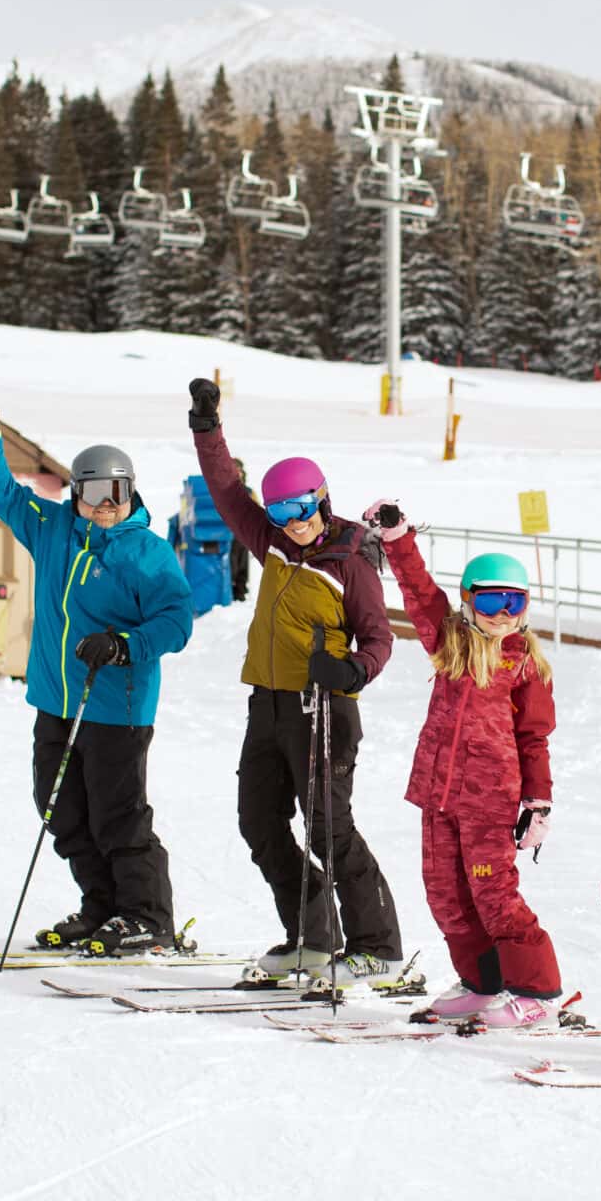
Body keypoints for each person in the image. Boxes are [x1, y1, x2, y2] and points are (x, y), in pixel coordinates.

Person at [0, 392, 195, 953]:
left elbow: (176, 622)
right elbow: (4, 494)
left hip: (117, 707)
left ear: (129, 490)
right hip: (55, 700)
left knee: (117, 815)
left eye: (115, 493)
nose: (104, 505)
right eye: (92, 493)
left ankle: (146, 915)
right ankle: (102, 907)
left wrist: (123, 643)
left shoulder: (148, 553)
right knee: (60, 809)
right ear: (76, 492)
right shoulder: (52, 529)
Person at [185, 376, 403, 978]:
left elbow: (380, 639)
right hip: (269, 705)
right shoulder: (273, 543)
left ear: (322, 500)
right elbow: (228, 492)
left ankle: (377, 947)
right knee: (258, 823)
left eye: (302, 508)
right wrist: (208, 429)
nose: (293, 522)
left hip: (324, 708)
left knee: (330, 830)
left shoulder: (350, 561)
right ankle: (311, 934)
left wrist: (352, 670)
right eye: (281, 512)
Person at [377, 508, 563, 1027]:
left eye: (514, 602)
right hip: (437, 795)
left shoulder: (526, 664)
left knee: (494, 895)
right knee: (446, 896)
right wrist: (397, 538)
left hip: (490, 800)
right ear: (469, 602)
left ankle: (537, 991)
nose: (502, 614)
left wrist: (537, 802)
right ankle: (483, 982)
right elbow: (419, 592)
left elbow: (534, 739)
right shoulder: (451, 644)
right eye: (490, 601)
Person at [228, 458, 253, 603]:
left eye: (239, 470)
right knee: (232, 561)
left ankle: (241, 590)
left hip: (244, 532)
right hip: (229, 532)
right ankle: (230, 590)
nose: (237, 473)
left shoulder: (248, 491)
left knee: (243, 562)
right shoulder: (225, 492)